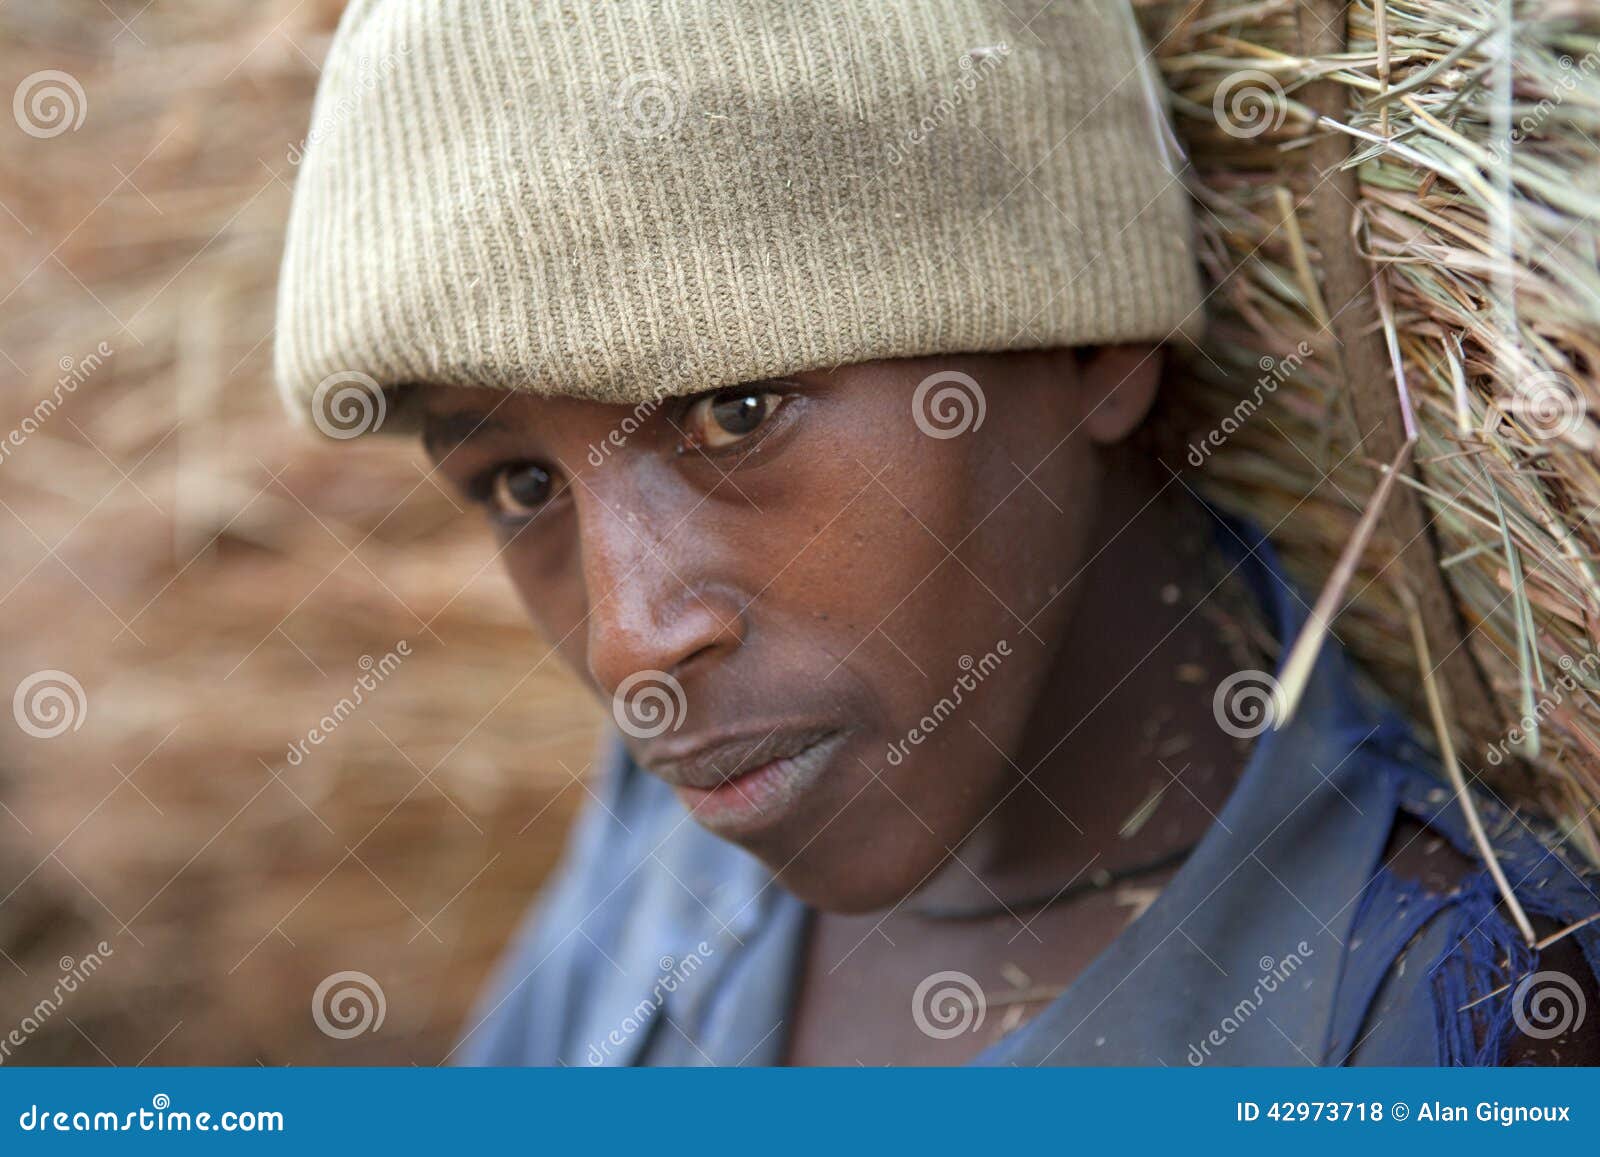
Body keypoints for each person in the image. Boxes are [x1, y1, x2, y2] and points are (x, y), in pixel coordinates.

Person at [273, 0, 1600, 1065]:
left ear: (1087, 339)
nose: (630, 643)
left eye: (736, 411)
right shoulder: (677, 835)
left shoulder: (1430, 1014)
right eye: (520, 485)